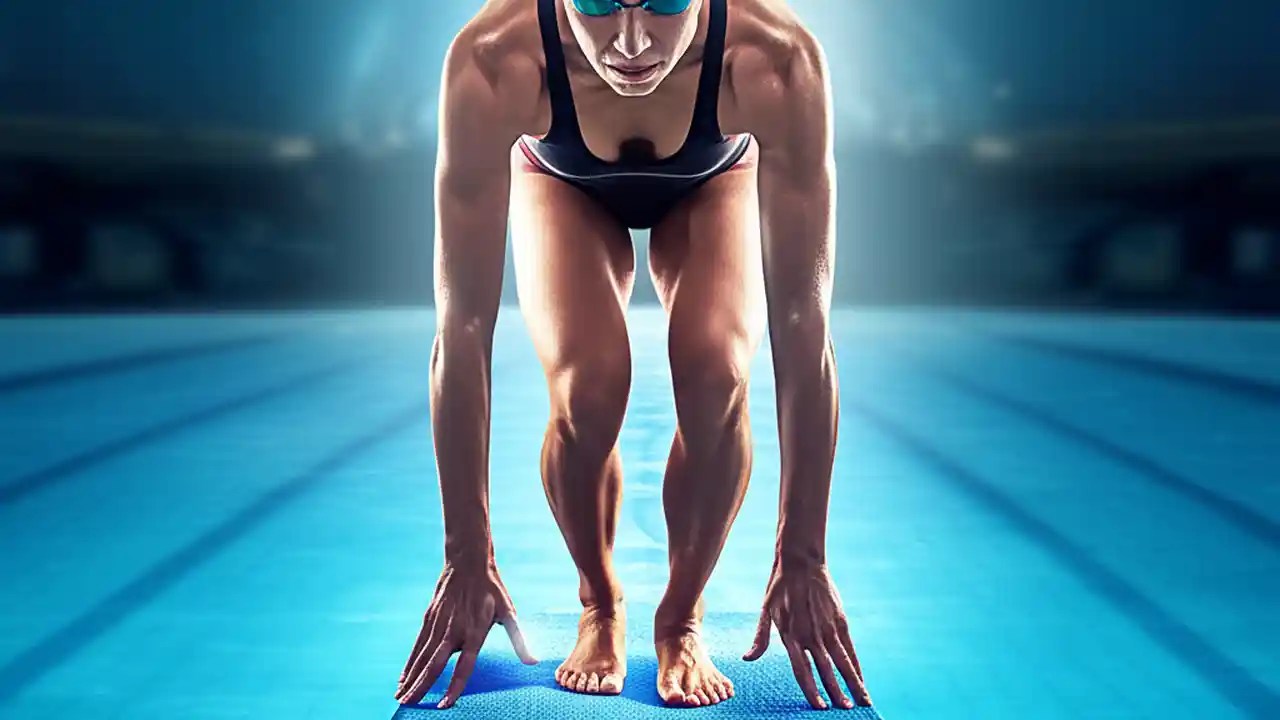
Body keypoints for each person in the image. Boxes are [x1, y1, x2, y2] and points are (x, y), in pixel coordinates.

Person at [395, 0, 872, 710]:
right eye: (595, 4)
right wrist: (466, 556)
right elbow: (462, 327)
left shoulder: (773, 59)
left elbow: (804, 325)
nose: (630, 43)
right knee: (588, 388)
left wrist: (804, 556)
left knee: (717, 373)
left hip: (714, 178)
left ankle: (681, 615)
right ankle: (599, 600)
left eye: (665, 3)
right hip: (561, 180)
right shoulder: (496, 59)